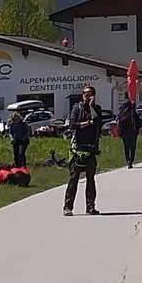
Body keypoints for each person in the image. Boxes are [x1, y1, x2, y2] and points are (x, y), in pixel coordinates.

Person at [63, 85, 103, 216]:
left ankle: (90, 207)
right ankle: (68, 207)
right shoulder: (76, 108)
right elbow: (72, 124)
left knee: (91, 179)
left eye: (89, 94)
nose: (86, 96)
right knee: (73, 179)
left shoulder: (97, 109)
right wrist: (86, 123)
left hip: (91, 148)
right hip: (77, 148)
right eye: (84, 93)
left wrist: (91, 107)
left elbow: (97, 122)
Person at [117, 100, 141, 168]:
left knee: (126, 147)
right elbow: (138, 120)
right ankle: (130, 161)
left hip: (124, 133)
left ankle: (127, 160)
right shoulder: (132, 112)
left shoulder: (121, 113)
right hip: (132, 132)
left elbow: (119, 122)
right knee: (132, 147)